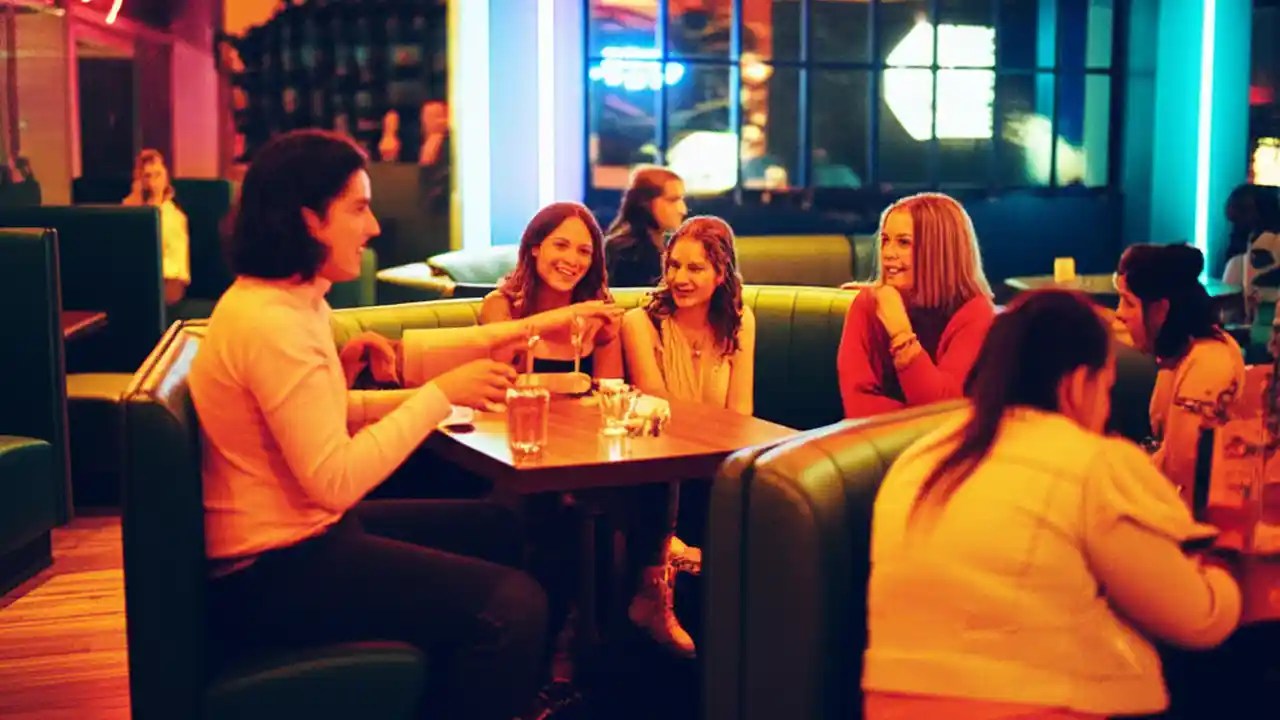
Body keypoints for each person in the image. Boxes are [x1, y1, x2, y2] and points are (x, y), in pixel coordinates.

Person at [189, 129, 608, 720]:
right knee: (514, 607)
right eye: (359, 208)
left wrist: (438, 386)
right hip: (271, 572)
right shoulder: (273, 324)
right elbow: (334, 480)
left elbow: (333, 414)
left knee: (505, 526)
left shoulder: (292, 299)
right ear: (310, 220)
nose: (374, 227)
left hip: (304, 539)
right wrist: (436, 396)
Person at [863, 289, 1241, 720]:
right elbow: (1198, 618)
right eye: (1107, 390)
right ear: (1077, 384)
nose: (1104, 409)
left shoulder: (919, 460)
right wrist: (1229, 555)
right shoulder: (1088, 463)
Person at [620, 215, 756, 656]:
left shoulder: (740, 321)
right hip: (660, 460)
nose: (680, 278)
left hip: (716, 460)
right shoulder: (641, 323)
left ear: (721, 274)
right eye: (674, 265)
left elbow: (742, 411)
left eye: (695, 268)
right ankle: (656, 591)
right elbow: (660, 409)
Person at [837, 192, 995, 419]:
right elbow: (858, 405)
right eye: (885, 240)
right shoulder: (868, 305)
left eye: (903, 243)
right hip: (873, 445)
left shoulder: (976, 313)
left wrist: (901, 333)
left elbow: (942, 408)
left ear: (938, 251)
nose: (888, 253)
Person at [1114, 243, 1246, 498]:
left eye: (1128, 302)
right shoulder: (1179, 351)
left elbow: (1184, 480)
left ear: (1160, 310)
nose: (1120, 313)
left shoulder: (1207, 365)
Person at [482, 202, 624, 379]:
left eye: (584, 251)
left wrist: (608, 337)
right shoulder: (500, 306)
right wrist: (567, 315)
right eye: (561, 246)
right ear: (535, 247)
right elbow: (503, 386)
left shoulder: (598, 312)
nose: (572, 260)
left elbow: (608, 393)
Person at [123, 149, 190, 307]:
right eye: (147, 176)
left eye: (158, 175)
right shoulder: (131, 211)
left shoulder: (174, 216)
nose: (153, 182)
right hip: (139, 276)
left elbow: (176, 264)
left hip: (170, 280)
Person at [603, 165, 687, 287]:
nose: (682, 210)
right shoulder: (624, 252)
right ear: (645, 202)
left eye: (682, 200)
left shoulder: (672, 246)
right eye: (672, 200)